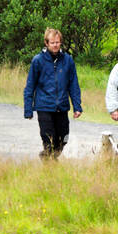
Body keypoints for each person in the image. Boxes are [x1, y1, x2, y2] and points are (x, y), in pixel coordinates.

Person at [23, 28, 82, 159]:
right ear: (46, 43)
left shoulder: (68, 60)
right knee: (49, 139)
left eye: (57, 42)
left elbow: (73, 85)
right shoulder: (38, 60)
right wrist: (28, 109)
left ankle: (48, 157)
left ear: (61, 42)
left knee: (64, 138)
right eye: (52, 42)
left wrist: (77, 106)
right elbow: (30, 86)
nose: (55, 45)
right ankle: (49, 163)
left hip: (62, 106)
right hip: (44, 106)